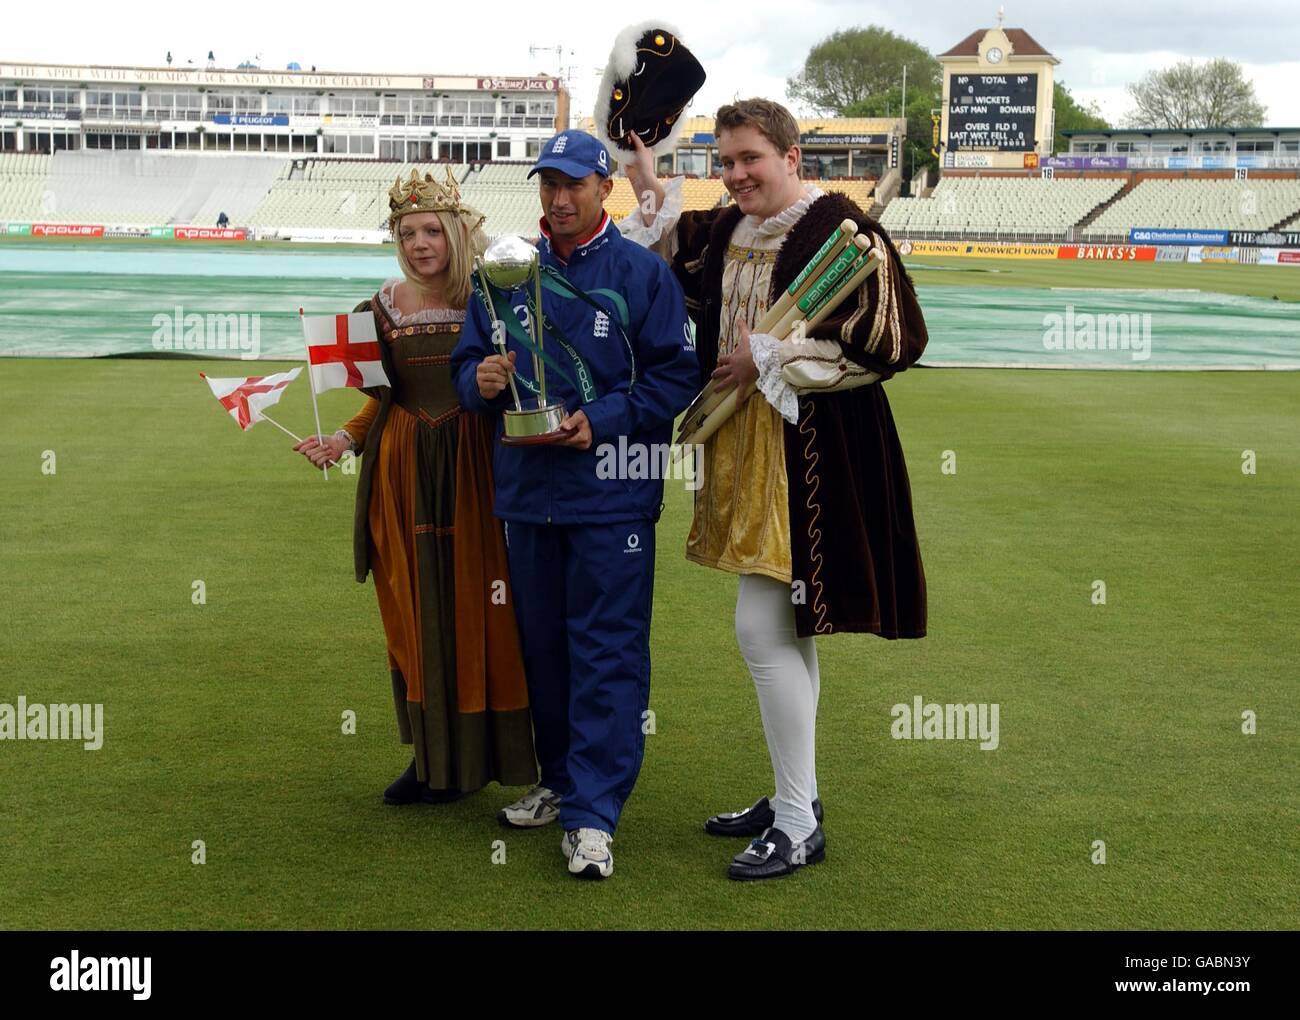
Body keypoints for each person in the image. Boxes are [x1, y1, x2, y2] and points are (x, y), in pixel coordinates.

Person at [620, 98, 929, 880]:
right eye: (724, 162)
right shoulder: (727, 227)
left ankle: (796, 822)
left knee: (762, 632)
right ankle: (801, 798)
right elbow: (669, 260)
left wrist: (769, 357)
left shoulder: (839, 230)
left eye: (750, 158)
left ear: (793, 156)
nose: (734, 175)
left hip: (818, 451)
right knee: (789, 628)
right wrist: (647, 176)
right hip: (744, 439)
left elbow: (893, 342)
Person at [451, 130, 697, 879]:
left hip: (613, 493)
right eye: (548, 187)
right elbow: (466, 370)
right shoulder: (503, 274)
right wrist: (481, 384)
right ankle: (561, 782)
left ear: (603, 187)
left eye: (574, 186)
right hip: (527, 495)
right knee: (545, 651)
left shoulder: (641, 274)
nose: (559, 200)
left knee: (606, 653)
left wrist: (606, 419)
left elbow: (677, 375)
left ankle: (595, 815)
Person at [295, 168, 537, 805]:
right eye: (407, 232)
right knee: (413, 609)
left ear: (457, 232)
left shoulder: (490, 297)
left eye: (432, 229)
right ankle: (431, 760)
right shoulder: (381, 305)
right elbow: (383, 398)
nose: (420, 242)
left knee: (481, 606)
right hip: (402, 468)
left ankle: (490, 754)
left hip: (475, 465)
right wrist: (343, 440)